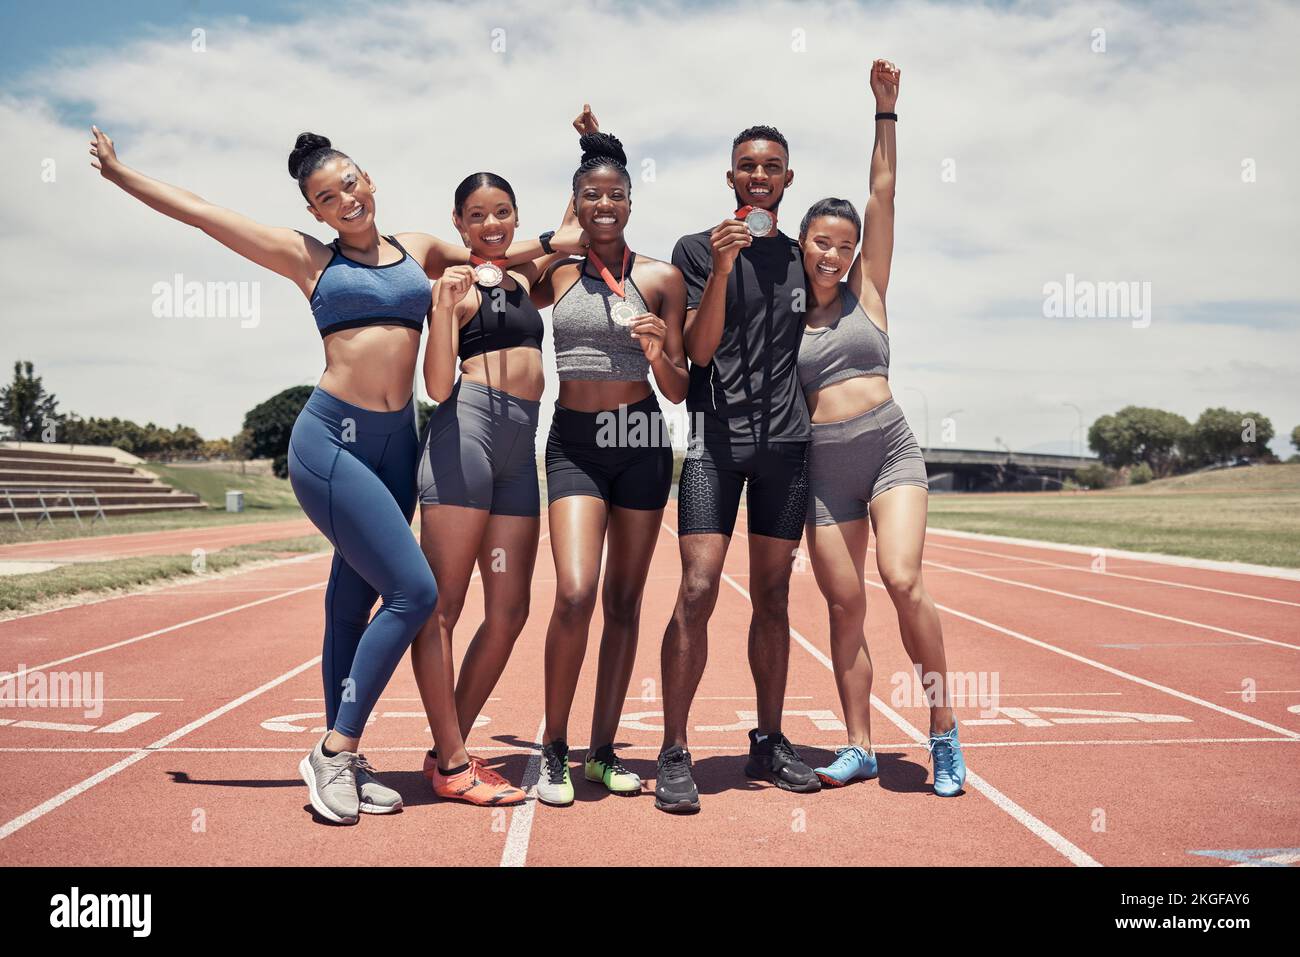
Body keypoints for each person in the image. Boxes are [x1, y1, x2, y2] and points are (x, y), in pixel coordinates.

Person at [90, 127, 568, 822]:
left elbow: (503, 249)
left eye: (349, 183)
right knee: (413, 590)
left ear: (369, 180)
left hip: (397, 447)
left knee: (350, 602)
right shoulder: (309, 257)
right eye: (325, 196)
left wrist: (565, 233)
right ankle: (334, 749)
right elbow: (201, 212)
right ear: (314, 211)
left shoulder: (420, 249)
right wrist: (121, 174)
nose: (343, 199)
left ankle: (347, 756)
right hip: (330, 442)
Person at [797, 60, 966, 796]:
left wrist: (885, 112)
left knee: (901, 578)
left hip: (889, 448)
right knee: (844, 603)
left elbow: (883, 192)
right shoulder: (783, 311)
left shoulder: (870, 287)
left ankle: (943, 733)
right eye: (820, 243)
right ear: (801, 244)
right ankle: (860, 743)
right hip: (824, 471)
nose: (831, 254)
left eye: (842, 243)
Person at [526, 107, 689, 806]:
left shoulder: (660, 277)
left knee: (624, 602)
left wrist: (659, 352)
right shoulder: (555, 273)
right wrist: (591, 152)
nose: (602, 204)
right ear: (576, 201)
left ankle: (601, 748)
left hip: (644, 440)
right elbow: (505, 264)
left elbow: (681, 387)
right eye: (589, 193)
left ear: (630, 201)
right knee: (573, 592)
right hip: (575, 443)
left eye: (614, 194)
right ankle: (553, 748)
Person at [656, 123, 820, 813]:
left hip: (786, 443)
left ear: (787, 181)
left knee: (775, 594)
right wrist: (722, 268)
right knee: (697, 587)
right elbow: (696, 350)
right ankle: (673, 748)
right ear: (730, 179)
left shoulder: (803, 259)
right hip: (715, 439)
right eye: (747, 166)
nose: (759, 176)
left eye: (772, 167)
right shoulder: (696, 250)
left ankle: (771, 737)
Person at [414, 172, 583, 805]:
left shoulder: (524, 283)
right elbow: (435, 385)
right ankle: (455, 761)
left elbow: (566, 238)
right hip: (468, 431)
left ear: (516, 217)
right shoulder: (455, 288)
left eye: (503, 213)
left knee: (509, 611)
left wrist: (590, 154)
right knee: (443, 607)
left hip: (522, 446)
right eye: (478, 215)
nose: (491, 224)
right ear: (459, 224)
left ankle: (443, 751)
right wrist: (441, 312)